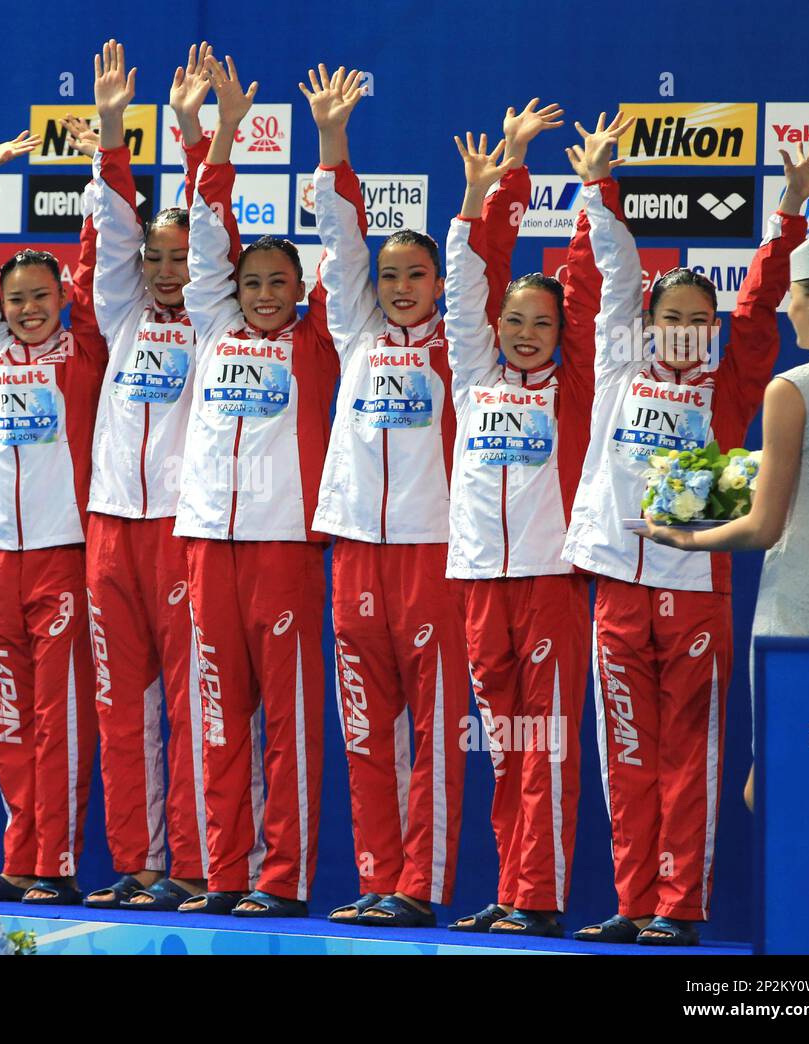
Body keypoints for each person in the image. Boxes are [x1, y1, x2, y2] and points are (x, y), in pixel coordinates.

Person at [302, 74, 559, 927]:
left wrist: (499, 179)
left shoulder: (463, 347)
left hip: (431, 552)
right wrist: (332, 142)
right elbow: (339, 240)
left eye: (416, 274)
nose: (403, 284)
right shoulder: (355, 330)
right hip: (351, 550)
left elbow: (475, 258)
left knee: (437, 737)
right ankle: (377, 880)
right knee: (367, 732)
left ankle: (420, 887)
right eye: (391, 274)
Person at [569, 141, 809, 946]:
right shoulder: (616, 368)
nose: (685, 331)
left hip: (694, 586)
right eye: (670, 320)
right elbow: (610, 267)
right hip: (615, 583)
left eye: (697, 322)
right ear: (646, 326)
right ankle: (633, 902)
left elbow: (758, 304)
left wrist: (786, 214)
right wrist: (599, 186)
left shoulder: (731, 382)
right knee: (628, 754)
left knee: (689, 754)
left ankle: (678, 910)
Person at [639, 222, 809, 878]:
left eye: (794, 295)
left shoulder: (791, 388)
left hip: (800, 612)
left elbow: (764, 526)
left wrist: (683, 536)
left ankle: (808, 921)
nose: (789, 307)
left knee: (779, 788)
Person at [172, 54, 338, 918]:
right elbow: (205, 230)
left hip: (281, 549)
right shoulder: (209, 326)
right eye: (251, 282)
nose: (265, 294)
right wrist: (220, 137)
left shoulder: (321, 343)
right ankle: (219, 874)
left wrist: (327, 143)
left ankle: (280, 881)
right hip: (206, 545)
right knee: (214, 724)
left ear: (303, 290)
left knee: (287, 730)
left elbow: (343, 259)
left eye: (280, 282)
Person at [441, 117, 611, 938]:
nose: (527, 333)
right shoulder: (473, 372)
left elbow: (586, 281)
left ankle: (538, 899)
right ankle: (514, 890)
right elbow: (466, 283)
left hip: (548, 580)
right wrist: (491, 185)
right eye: (516, 322)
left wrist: (591, 191)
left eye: (543, 324)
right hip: (479, 579)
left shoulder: (573, 385)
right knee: (505, 745)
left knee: (547, 745)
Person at [0, 114, 107, 905]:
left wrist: (101, 166)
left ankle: (57, 864)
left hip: (62, 553)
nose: (29, 308)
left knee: (59, 719)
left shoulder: (86, 350)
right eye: (17, 298)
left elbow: (107, 260)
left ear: (64, 297)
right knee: (7, 719)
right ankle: (19, 857)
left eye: (44, 296)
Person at [80, 40, 214, 912]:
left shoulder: (215, 315)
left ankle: (197, 865)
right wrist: (114, 134)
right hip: (106, 527)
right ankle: (138, 862)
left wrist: (195, 136)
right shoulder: (119, 309)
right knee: (120, 706)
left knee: (195, 710)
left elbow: (212, 232)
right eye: (153, 259)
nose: (166, 271)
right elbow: (115, 226)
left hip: (179, 528)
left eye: (179, 259)